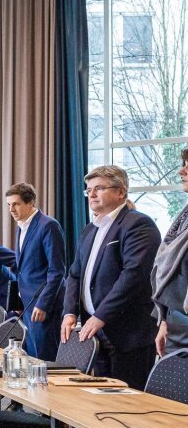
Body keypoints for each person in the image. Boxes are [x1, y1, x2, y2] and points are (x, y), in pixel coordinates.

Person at [61, 165, 160, 390]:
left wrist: (101, 315)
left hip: (127, 334)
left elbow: (133, 276)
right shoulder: (90, 229)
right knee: (102, 399)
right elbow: (75, 274)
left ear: (121, 192)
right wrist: (70, 312)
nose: (92, 194)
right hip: (94, 331)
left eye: (99, 188)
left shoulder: (138, 224)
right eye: (88, 190)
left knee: (126, 404)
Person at [5, 183, 66, 360]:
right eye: (9, 205)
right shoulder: (21, 227)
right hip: (28, 303)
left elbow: (57, 270)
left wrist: (43, 303)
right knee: (33, 356)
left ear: (30, 202)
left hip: (44, 305)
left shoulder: (48, 225)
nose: (11, 209)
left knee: (44, 358)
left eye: (16, 204)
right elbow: (24, 269)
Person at [153, 147, 188, 357]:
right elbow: (173, 275)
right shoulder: (183, 216)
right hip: (177, 326)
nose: (181, 172)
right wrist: (165, 321)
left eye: (187, 168)